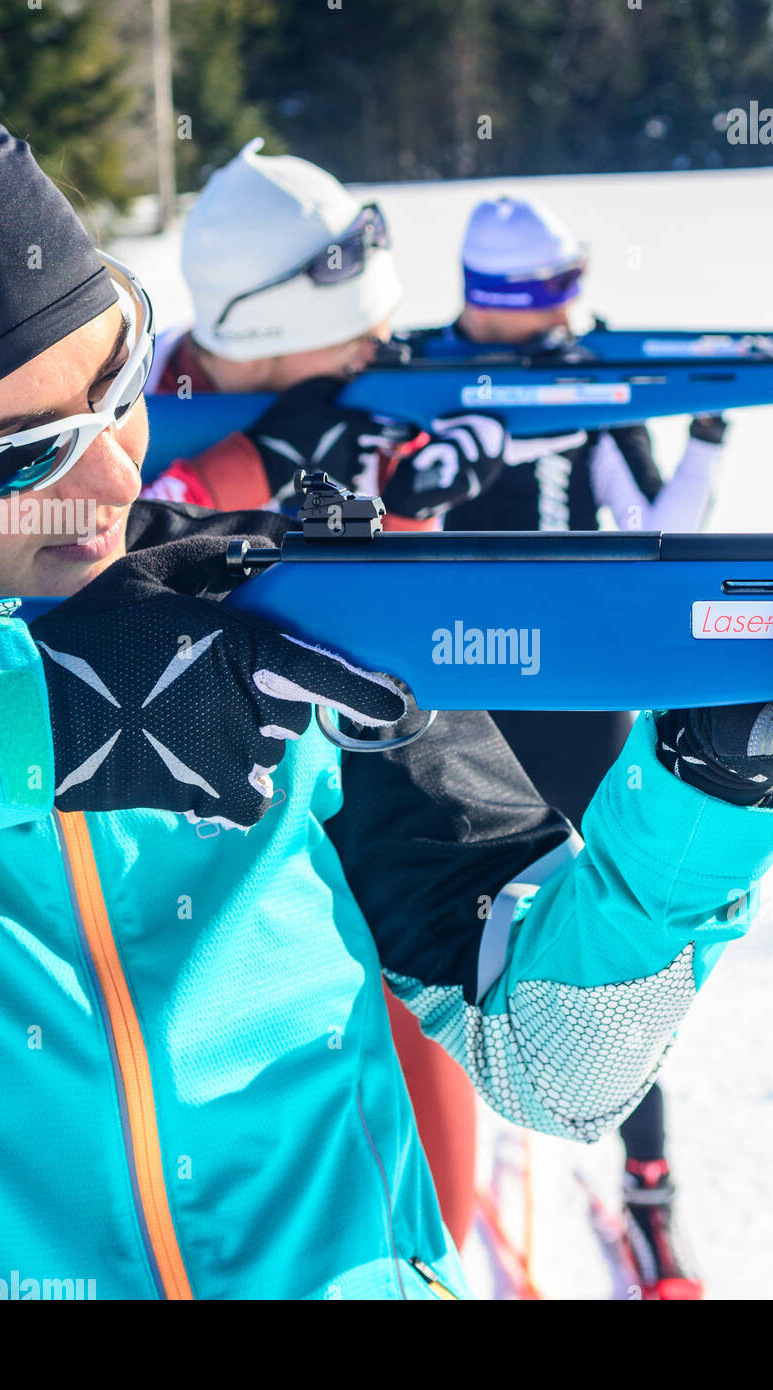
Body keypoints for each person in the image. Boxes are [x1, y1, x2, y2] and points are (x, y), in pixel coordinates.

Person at [0, 23, 773, 1302]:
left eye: (120, 379)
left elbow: (559, 1068)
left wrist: (704, 795)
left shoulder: (276, 625)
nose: (116, 474)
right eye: (6, 454)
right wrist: (51, 712)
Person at [140, 144, 500, 1248]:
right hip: (203, 889)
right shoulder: (139, 417)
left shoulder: (342, 395)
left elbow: (380, 622)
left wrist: (416, 504)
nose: (384, 355)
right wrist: (272, 465)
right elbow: (131, 551)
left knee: (433, 1181)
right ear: (266, 345)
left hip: (374, 813)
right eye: (353, 353)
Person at [402, 194, 735, 1297]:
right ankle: (416, 1172)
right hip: (450, 697)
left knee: (614, 949)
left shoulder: (592, 383)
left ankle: (650, 1190)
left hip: (575, 694)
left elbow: (662, 538)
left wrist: (711, 425)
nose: (559, 311)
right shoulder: (405, 381)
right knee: (414, 940)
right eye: (545, 291)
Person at [141, 141, 504, 538]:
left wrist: (406, 515)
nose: (379, 360)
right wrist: (250, 470)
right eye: (355, 348)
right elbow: (93, 575)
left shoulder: (369, 420)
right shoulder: (118, 404)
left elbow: (373, 595)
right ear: (254, 352)